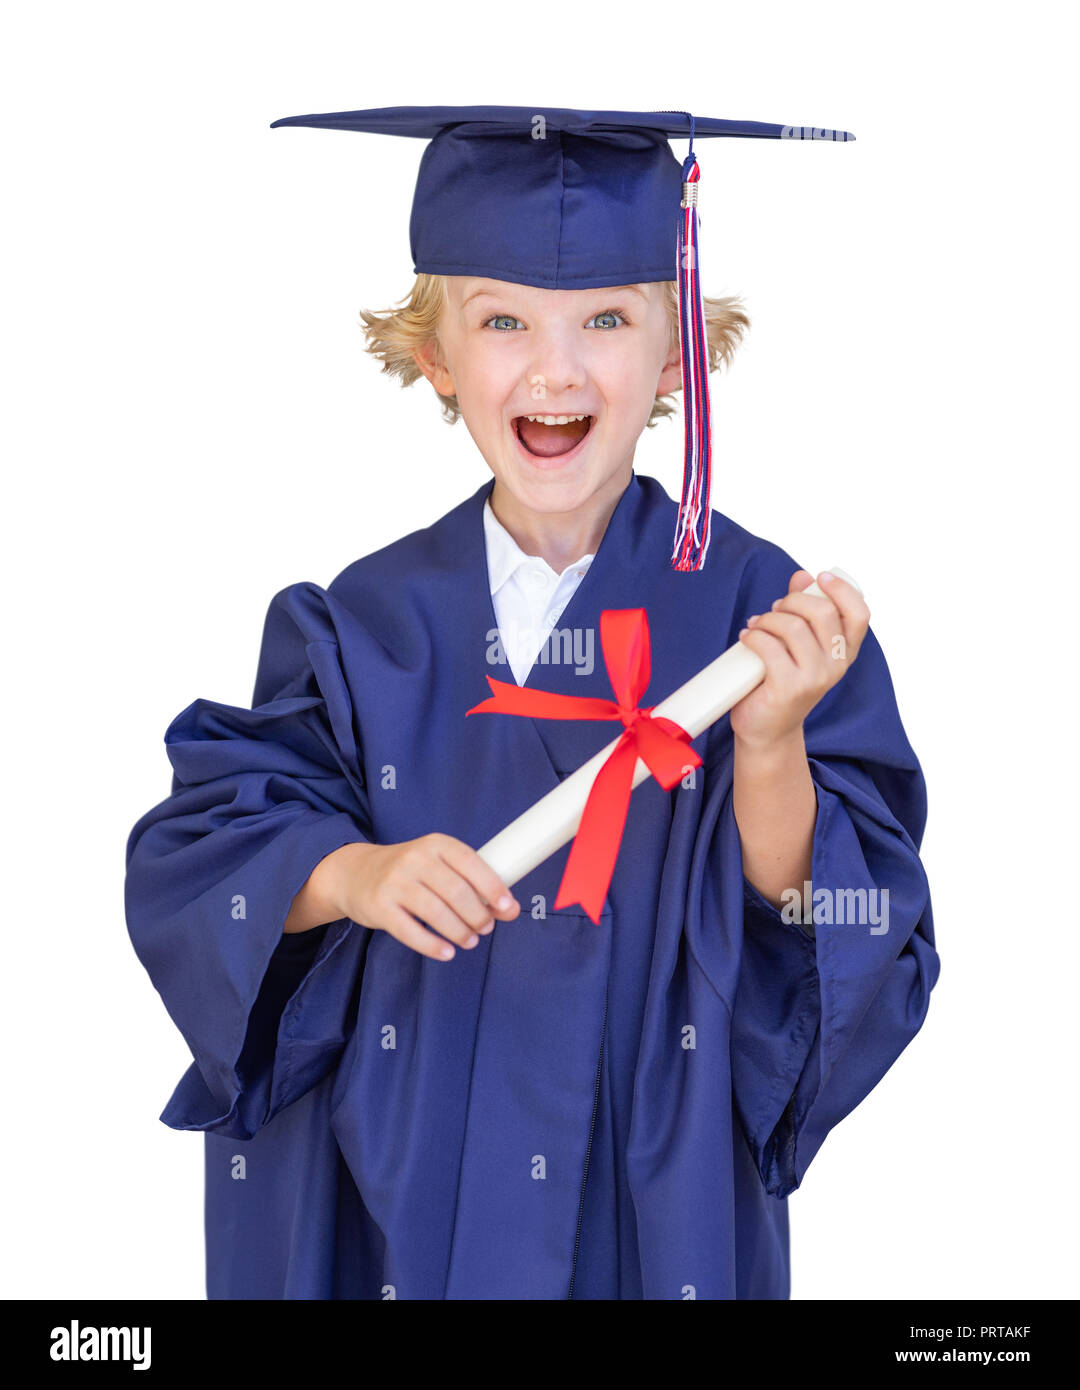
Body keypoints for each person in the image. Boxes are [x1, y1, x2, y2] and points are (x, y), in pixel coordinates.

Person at [125, 106, 939, 1300]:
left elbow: (830, 919)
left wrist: (769, 745)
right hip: (405, 1201)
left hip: (648, 1201)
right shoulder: (364, 626)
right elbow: (205, 864)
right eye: (503, 320)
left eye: (605, 319)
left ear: (677, 356)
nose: (554, 370)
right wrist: (356, 874)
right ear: (438, 358)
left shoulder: (759, 622)